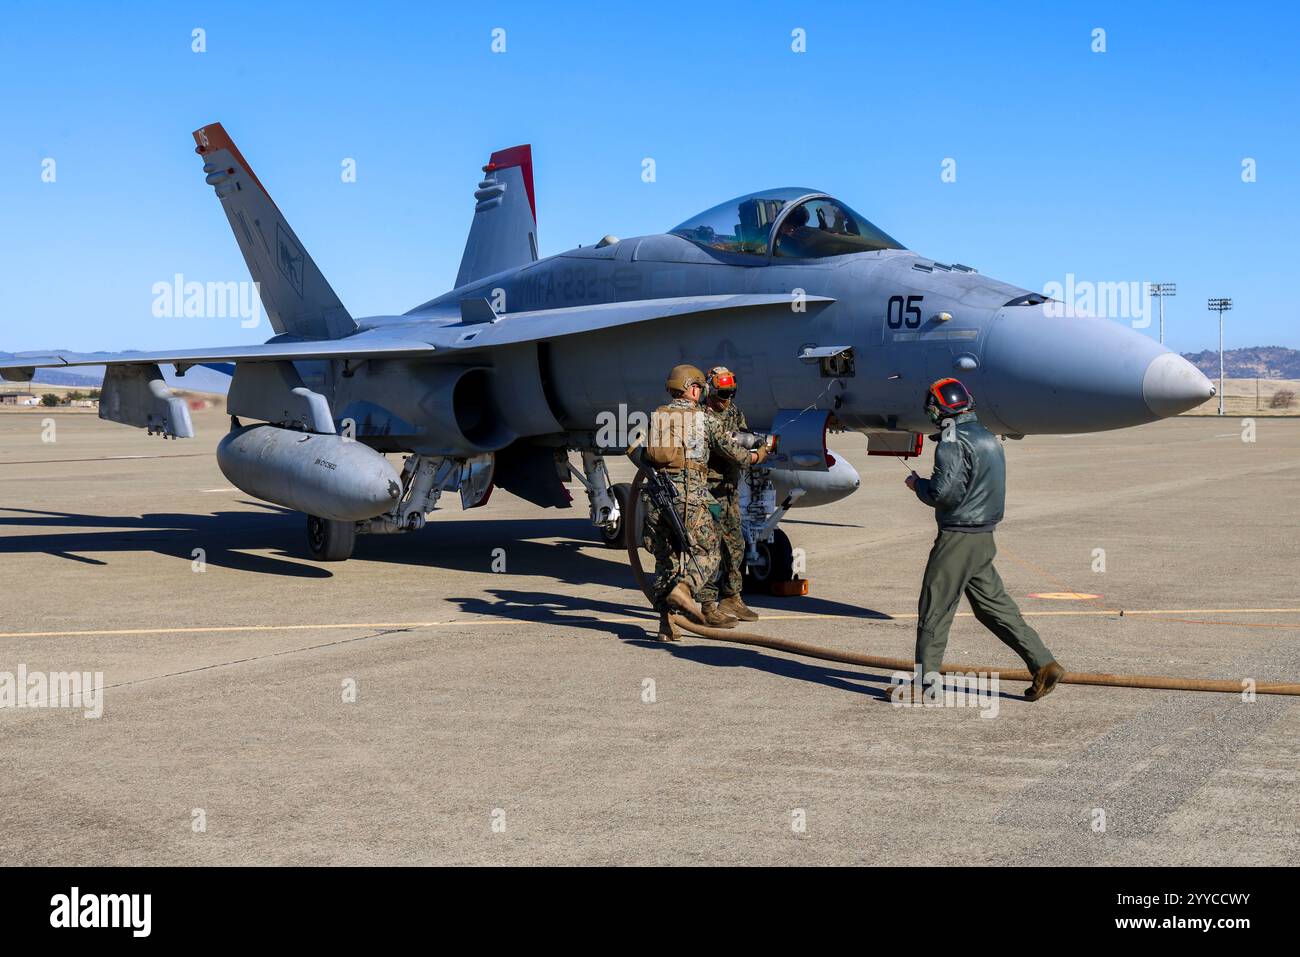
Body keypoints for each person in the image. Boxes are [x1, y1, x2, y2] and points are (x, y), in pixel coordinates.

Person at [904, 378, 1065, 702]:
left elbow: (942, 493)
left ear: (941, 409)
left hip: (958, 538)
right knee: (995, 609)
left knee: (935, 610)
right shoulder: (988, 436)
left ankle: (924, 685)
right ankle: (1043, 663)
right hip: (983, 537)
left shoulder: (950, 440)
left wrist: (917, 485)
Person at [638, 364, 768, 641]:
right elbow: (739, 455)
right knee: (709, 553)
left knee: (666, 562)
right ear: (694, 389)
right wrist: (761, 454)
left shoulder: (658, 416)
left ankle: (667, 625)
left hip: (657, 500)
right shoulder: (704, 420)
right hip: (689, 501)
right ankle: (685, 590)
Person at [704, 366, 759, 622]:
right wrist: (753, 454)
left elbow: (744, 434)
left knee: (735, 544)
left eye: (730, 392)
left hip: (728, 489)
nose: (726, 398)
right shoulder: (703, 416)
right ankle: (706, 602)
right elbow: (726, 449)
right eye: (722, 393)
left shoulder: (733, 411)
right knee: (710, 545)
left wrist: (753, 441)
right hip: (708, 492)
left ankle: (732, 597)